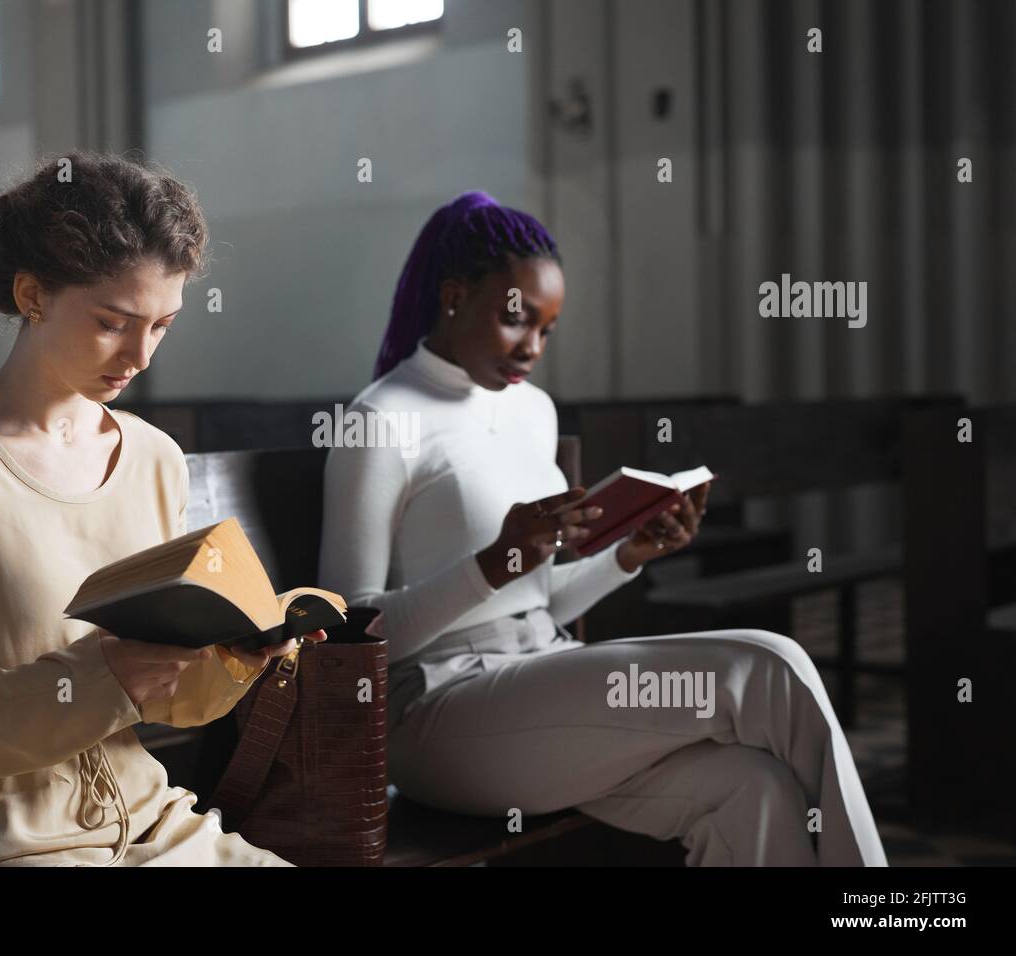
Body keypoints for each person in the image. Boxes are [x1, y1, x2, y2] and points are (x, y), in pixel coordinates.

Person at [317, 190, 888, 866]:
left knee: (749, 788)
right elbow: (345, 641)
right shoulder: (380, 420)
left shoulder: (534, 412)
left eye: (547, 330)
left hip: (541, 677)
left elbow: (544, 602)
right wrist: (493, 563)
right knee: (772, 666)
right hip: (438, 714)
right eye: (516, 320)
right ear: (453, 295)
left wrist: (626, 555)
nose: (532, 348)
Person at [0, 152, 318, 866]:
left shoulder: (155, 459)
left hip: (151, 825)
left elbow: (163, 699)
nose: (141, 356)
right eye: (113, 322)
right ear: (32, 295)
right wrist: (93, 682)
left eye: (162, 326)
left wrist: (232, 660)